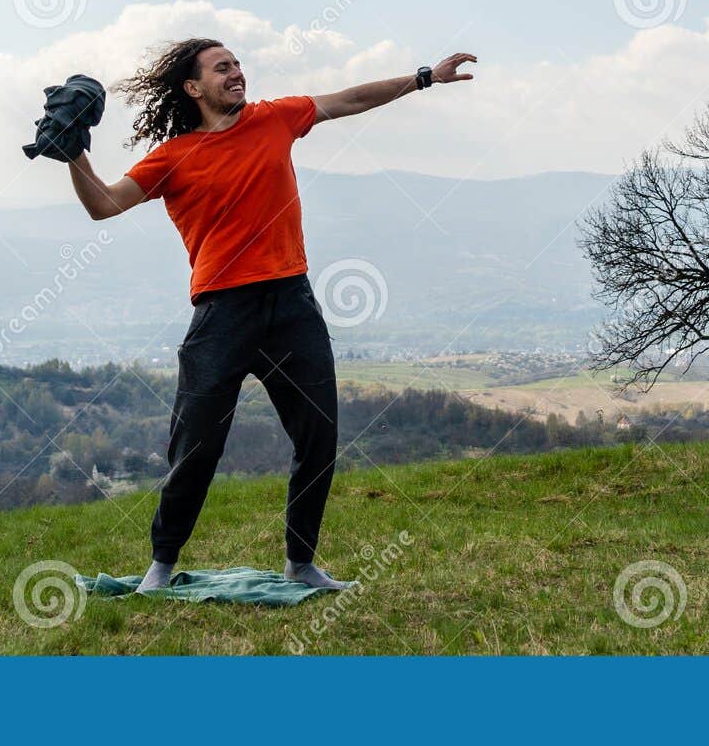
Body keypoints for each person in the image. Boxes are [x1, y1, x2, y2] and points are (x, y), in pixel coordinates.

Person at [64, 38, 477, 591]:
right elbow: (103, 205)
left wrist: (426, 76)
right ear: (193, 88)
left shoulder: (275, 119)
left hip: (291, 304)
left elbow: (351, 99)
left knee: (318, 436)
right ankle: (160, 567)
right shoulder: (173, 157)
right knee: (195, 446)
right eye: (222, 68)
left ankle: (300, 564)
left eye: (237, 64)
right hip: (221, 312)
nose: (237, 73)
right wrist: (74, 152)